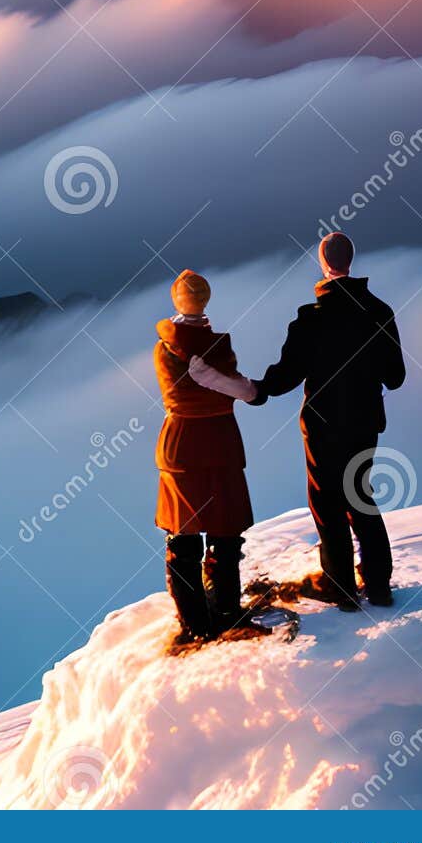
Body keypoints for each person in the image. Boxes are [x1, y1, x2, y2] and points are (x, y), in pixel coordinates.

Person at [189, 233, 404, 611]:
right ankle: (379, 586)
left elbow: (284, 377)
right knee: (360, 495)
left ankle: (342, 590)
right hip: (365, 421)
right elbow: (396, 377)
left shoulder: (311, 319)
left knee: (327, 502)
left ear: (323, 264)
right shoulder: (380, 312)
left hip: (322, 425)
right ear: (350, 260)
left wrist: (251, 390)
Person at [153, 269, 255, 646]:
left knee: (183, 537)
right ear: (205, 301)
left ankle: (195, 624)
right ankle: (226, 610)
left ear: (176, 300)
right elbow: (234, 389)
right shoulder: (221, 348)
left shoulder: (164, 348)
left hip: (180, 443)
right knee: (225, 532)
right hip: (221, 441)